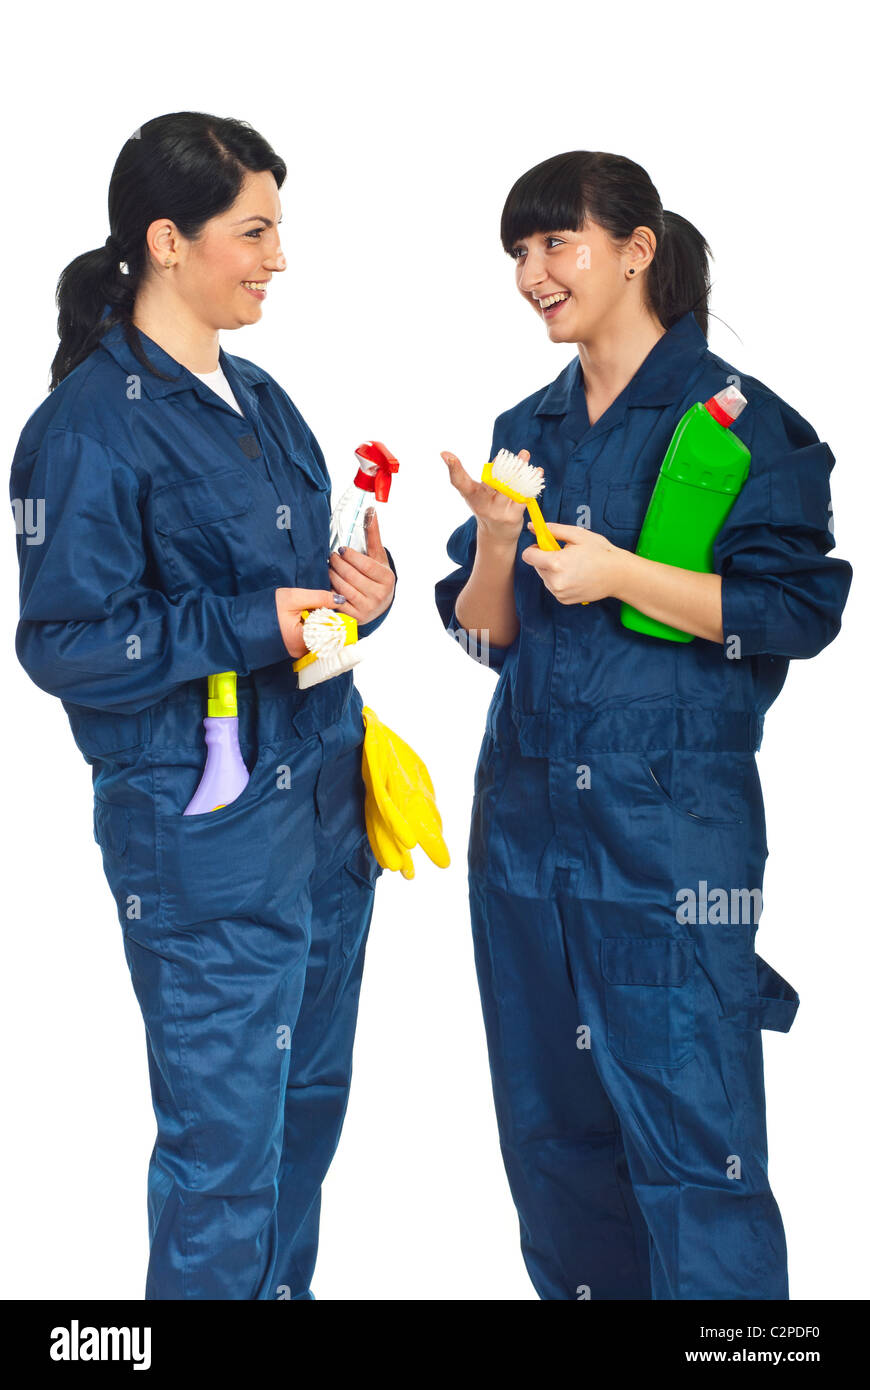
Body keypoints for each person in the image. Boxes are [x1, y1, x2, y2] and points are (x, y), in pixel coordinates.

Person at [434, 150, 852, 1300]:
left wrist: (620, 573)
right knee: (552, 1139)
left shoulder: (736, 423)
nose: (532, 273)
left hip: (670, 832)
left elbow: (792, 610)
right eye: (518, 252)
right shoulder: (527, 427)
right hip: (522, 827)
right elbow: (484, 636)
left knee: (694, 1145)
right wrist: (503, 547)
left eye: (553, 243)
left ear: (635, 249)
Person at [10, 111, 397, 1300]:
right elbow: (63, 643)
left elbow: (300, 603)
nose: (277, 257)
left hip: (326, 817)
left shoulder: (264, 399)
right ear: (167, 241)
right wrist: (251, 621)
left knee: (302, 1127)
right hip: (203, 838)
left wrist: (356, 602)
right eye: (255, 230)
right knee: (224, 1158)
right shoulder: (85, 427)